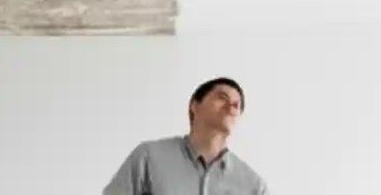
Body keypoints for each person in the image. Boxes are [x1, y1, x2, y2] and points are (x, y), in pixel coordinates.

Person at [103, 77, 269, 194]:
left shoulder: (254, 186)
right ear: (194, 105)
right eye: (222, 98)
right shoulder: (148, 157)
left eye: (236, 105)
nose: (230, 107)